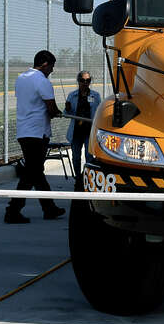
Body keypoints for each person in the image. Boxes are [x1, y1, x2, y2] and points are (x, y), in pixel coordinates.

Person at [6, 50, 65, 223]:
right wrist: (58, 112)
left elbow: (29, 102)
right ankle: (13, 210)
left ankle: (49, 208)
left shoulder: (21, 78)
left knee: (36, 171)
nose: (52, 71)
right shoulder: (42, 81)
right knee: (31, 173)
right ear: (45, 64)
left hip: (24, 131)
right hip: (37, 133)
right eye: (52, 67)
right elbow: (52, 109)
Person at [64, 71, 101, 191]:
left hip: (89, 131)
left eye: (88, 80)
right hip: (76, 131)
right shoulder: (72, 95)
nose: (85, 83)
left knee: (89, 156)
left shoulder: (95, 96)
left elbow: (99, 113)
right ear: (78, 81)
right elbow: (66, 114)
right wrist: (68, 109)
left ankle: (88, 178)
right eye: (83, 81)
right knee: (76, 157)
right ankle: (78, 178)